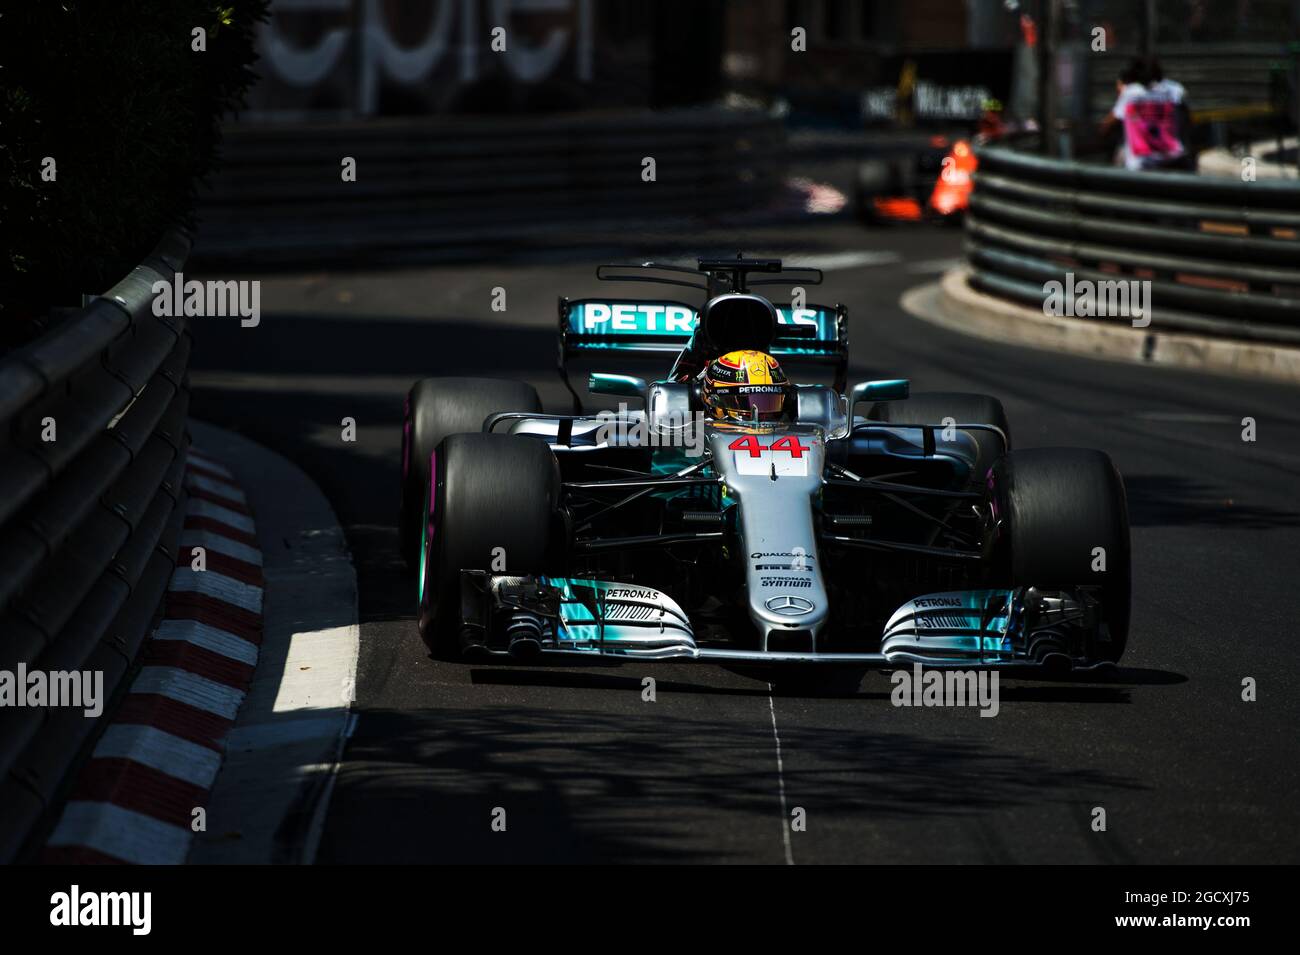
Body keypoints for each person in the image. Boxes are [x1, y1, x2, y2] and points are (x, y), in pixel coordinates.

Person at [1101, 56, 1190, 171]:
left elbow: (1110, 122)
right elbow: (1185, 117)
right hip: (1174, 156)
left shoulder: (1131, 93)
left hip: (1141, 161)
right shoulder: (1175, 89)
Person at [699, 350, 792, 423]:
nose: (759, 416)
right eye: (743, 402)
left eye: (769, 402)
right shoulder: (698, 435)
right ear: (712, 400)